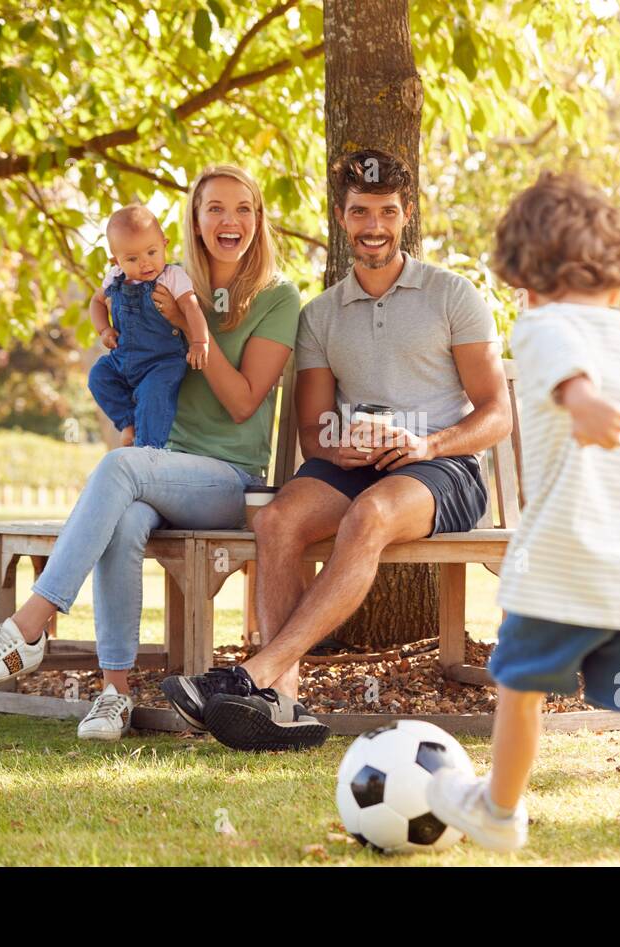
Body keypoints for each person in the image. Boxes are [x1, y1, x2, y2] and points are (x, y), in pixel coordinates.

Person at [162, 148, 512, 752]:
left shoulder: (452, 295)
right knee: (277, 518)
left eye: (386, 212)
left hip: (443, 467)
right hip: (354, 467)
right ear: (342, 218)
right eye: (360, 213)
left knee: (370, 515)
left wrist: (427, 441)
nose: (373, 226)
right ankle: (281, 706)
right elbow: (313, 430)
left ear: (406, 216)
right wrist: (337, 447)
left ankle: (254, 677)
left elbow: (497, 413)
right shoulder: (321, 313)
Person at [426, 171, 620, 867]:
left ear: (523, 277)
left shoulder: (540, 325)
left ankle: (499, 811)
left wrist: (582, 398)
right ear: (617, 277)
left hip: (564, 569)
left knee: (520, 691)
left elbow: (562, 363)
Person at [0, 165, 304, 743]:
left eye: (242, 209)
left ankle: (28, 627)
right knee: (124, 519)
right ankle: (115, 695)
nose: (229, 221)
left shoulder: (276, 297)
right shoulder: (157, 277)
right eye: (214, 208)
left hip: (225, 480)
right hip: (156, 464)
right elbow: (130, 353)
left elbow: (242, 403)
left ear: (258, 220)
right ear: (195, 219)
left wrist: (193, 334)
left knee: (119, 466)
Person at [87, 204, 211, 449]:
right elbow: (96, 301)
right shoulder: (114, 277)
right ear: (117, 260)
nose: (145, 263)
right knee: (98, 376)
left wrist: (199, 342)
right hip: (122, 358)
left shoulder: (172, 276)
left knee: (153, 397)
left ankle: (147, 449)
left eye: (151, 252)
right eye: (132, 258)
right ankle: (127, 423)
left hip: (161, 362)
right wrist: (104, 329)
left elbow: (191, 307)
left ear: (164, 244)